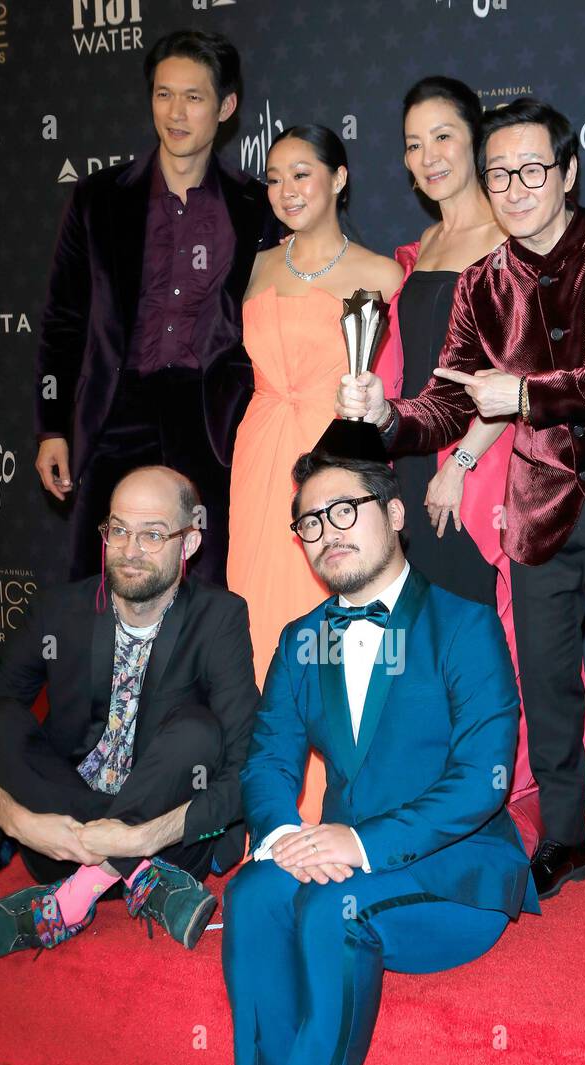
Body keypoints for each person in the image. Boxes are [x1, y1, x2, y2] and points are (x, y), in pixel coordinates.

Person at [337, 97, 585, 930]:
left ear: (568, 172)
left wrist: (528, 395)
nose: (514, 187)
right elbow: (444, 404)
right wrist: (387, 417)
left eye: (532, 169)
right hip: (539, 509)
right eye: (500, 171)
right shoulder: (481, 283)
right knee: (543, 683)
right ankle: (566, 838)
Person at [194, 450, 538, 1065]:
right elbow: (269, 758)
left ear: (396, 513)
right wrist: (285, 835)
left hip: (456, 875)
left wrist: (360, 843)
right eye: (310, 522)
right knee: (252, 893)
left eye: (344, 509)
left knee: (333, 909)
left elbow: (484, 778)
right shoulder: (300, 639)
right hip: (344, 857)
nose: (326, 533)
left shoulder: (465, 625)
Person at [387, 77, 585, 856]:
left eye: (444, 139)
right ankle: (447, 791)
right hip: (422, 459)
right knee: (442, 637)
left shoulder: (514, 246)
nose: (428, 157)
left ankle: (522, 799)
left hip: (491, 462)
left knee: (504, 635)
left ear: (480, 146)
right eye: (413, 143)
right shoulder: (416, 249)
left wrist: (459, 464)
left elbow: (525, 370)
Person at [0, 466, 259, 964]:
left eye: (153, 534)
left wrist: (139, 837)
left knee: (198, 734)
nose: (129, 550)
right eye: (119, 530)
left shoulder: (219, 618)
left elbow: (247, 766)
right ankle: (140, 879)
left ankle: (69, 901)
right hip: (60, 840)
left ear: (190, 542)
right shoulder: (60, 608)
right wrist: (21, 822)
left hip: (167, 840)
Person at [33, 29, 279, 583]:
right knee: (96, 577)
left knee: (210, 580)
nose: (176, 112)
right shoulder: (98, 199)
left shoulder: (256, 207)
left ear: (227, 106)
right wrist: (52, 427)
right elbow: (64, 319)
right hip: (117, 406)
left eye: (194, 96)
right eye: (164, 94)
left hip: (209, 413)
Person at [226, 125, 402, 824]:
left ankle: (341, 799)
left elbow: (398, 397)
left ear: (340, 177)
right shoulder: (256, 266)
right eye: (274, 178)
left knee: (331, 613)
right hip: (260, 451)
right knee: (259, 612)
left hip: (334, 458)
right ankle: (269, 797)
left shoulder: (384, 275)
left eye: (302, 174)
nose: (286, 191)